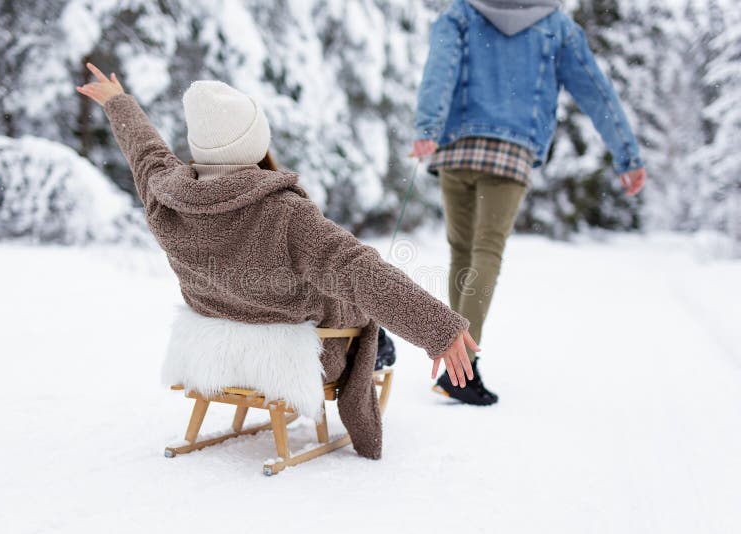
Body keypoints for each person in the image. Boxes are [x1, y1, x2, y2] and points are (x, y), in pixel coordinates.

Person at [76, 63, 477, 459]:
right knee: (360, 314)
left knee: (344, 298)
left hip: (214, 353)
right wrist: (436, 327)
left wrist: (118, 103)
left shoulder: (166, 198)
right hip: (303, 358)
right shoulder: (284, 214)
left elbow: (146, 153)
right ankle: (380, 350)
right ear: (254, 142)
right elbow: (358, 270)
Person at [413, 0, 646, 405]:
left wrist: (428, 126)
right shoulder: (556, 27)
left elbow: (440, 67)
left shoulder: (462, 14)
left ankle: (457, 364)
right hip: (512, 151)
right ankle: (461, 369)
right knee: (486, 250)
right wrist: (627, 154)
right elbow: (596, 92)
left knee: (462, 250)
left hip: (456, 147)